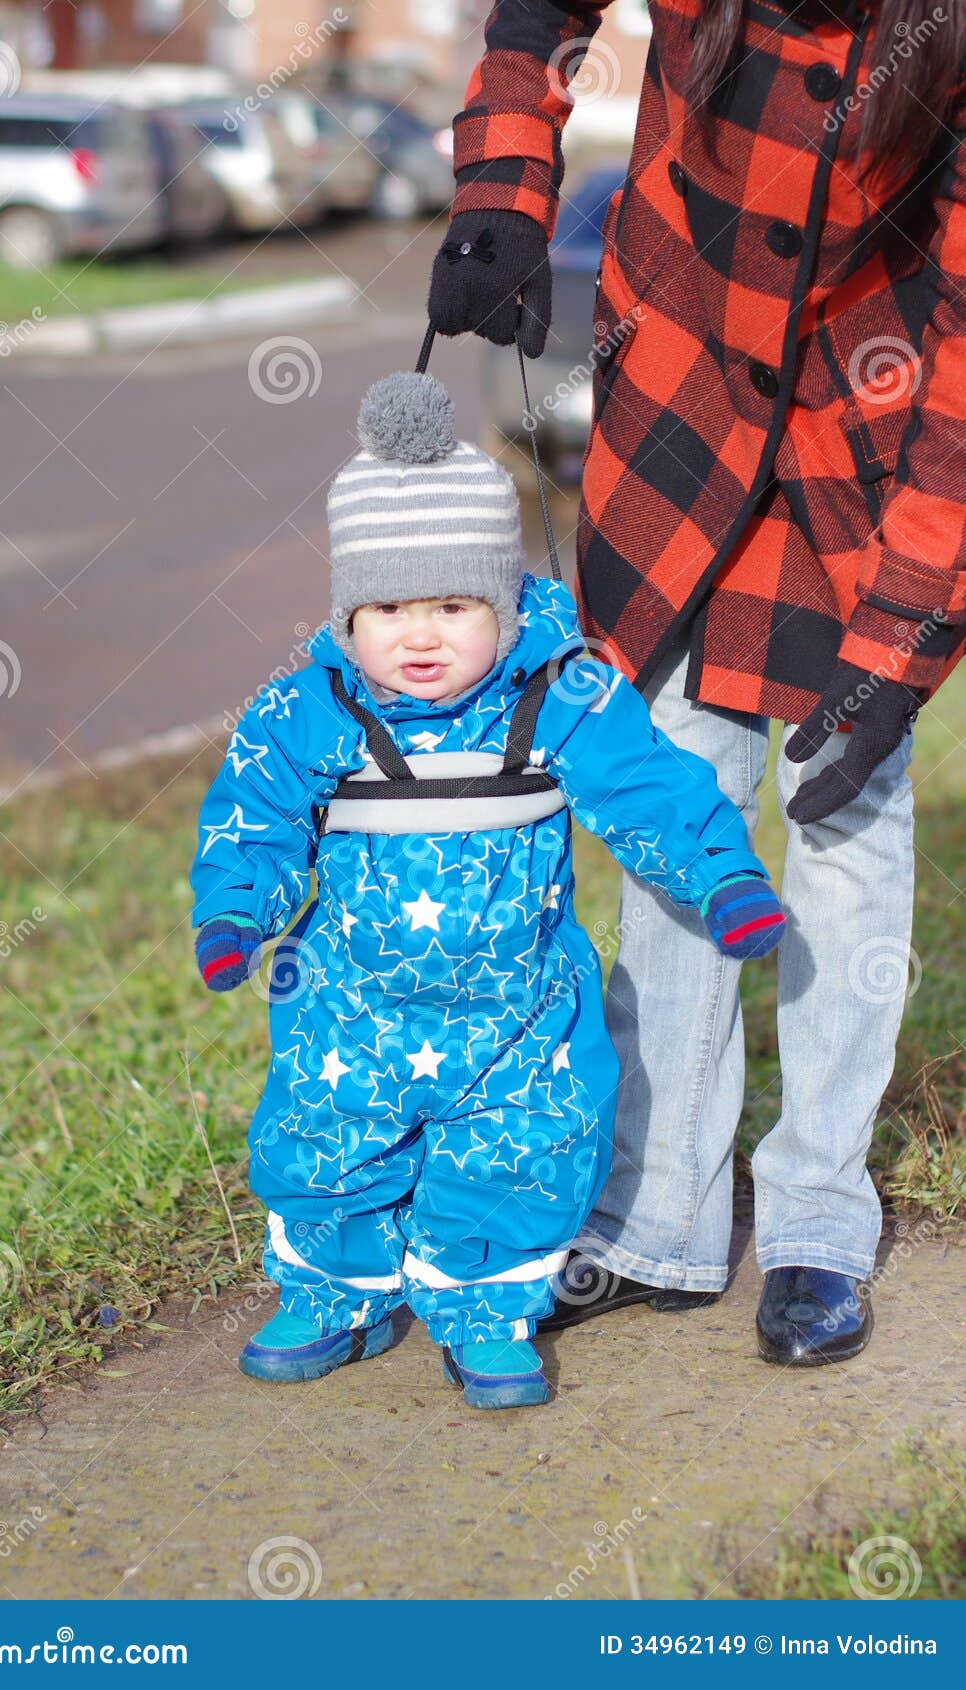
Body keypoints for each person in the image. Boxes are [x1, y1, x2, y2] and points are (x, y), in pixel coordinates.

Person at [427, 0, 964, 1364]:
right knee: (676, 798)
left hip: (869, 433)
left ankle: (815, 1217)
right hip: (684, 406)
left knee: (845, 821)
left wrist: (900, 644)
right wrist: (502, 178)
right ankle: (657, 1209)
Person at [189, 370, 784, 1411]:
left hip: (517, 1013)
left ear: (505, 607)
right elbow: (257, 806)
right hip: (348, 1008)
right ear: (346, 613)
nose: (420, 638)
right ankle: (338, 1291)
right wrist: (238, 908)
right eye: (387, 610)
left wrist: (721, 874)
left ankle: (484, 1307)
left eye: (455, 606)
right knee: (326, 1135)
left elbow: (647, 786)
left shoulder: (558, 692)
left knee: (523, 1145)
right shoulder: (310, 708)